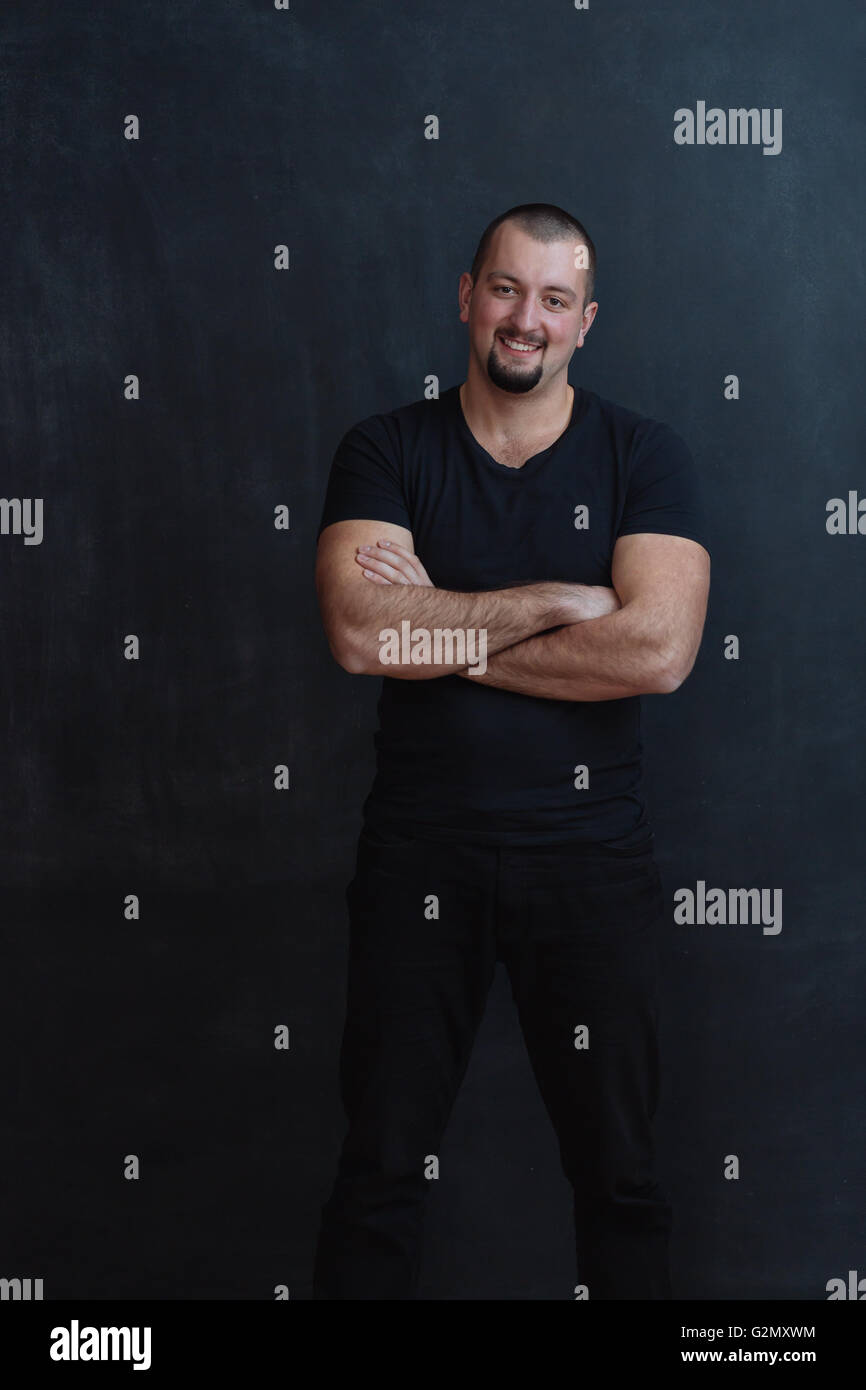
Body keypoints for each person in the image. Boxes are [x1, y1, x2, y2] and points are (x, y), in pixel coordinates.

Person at [312, 202, 711, 1299]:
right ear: (464, 297)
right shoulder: (386, 448)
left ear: (585, 321)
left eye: (550, 299)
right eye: (503, 289)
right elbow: (358, 631)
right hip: (418, 860)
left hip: (588, 864)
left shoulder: (644, 455)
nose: (521, 318)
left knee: (620, 1177)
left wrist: (439, 636)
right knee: (379, 1172)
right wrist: (548, 603)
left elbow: (658, 651)